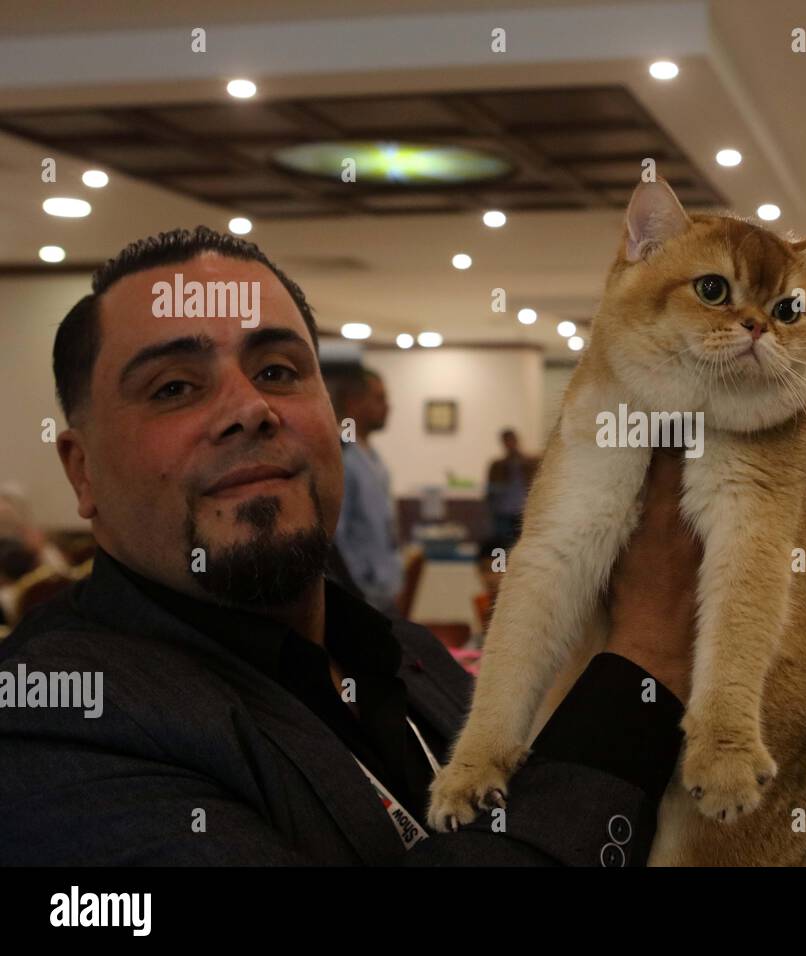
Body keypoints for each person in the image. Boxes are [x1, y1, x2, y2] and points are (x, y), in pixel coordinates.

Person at [0, 226, 701, 866]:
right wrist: (648, 654)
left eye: (277, 371)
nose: (251, 409)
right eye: (175, 386)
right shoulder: (50, 720)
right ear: (81, 470)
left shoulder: (408, 656)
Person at [327, 365, 402, 615]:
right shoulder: (341, 456)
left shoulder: (371, 456)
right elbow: (337, 534)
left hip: (384, 589)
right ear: (353, 402)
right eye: (379, 398)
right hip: (361, 594)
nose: (388, 406)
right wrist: (357, 586)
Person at [485, 429, 538, 548]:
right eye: (506, 441)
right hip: (502, 509)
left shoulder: (529, 463)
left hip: (522, 508)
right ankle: (499, 566)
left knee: (521, 541)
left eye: (511, 440)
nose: (509, 444)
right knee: (501, 542)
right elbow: (491, 488)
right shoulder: (497, 465)